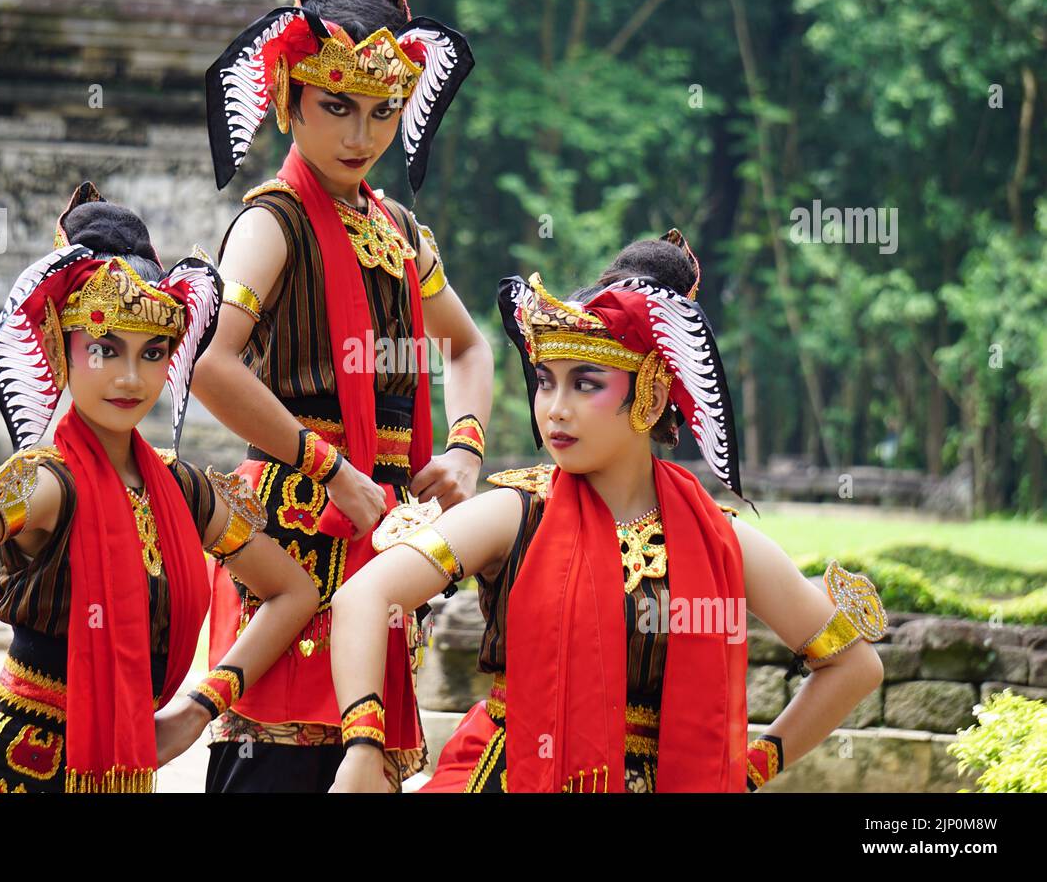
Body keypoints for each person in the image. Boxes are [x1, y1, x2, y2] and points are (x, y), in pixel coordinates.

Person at [328, 231, 887, 792]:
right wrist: (361, 749)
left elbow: (854, 666)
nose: (556, 410)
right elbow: (364, 597)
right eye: (545, 384)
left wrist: (746, 772)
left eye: (585, 384)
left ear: (649, 393)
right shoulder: (514, 513)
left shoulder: (718, 540)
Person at [0, 181, 319, 793]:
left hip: (126, 761)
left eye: (152, 354)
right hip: (24, 769)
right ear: (63, 348)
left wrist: (198, 710)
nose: (129, 377)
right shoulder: (47, 484)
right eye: (105, 349)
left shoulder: (184, 490)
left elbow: (293, 591)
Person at [195, 0, 492, 791]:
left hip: (380, 521)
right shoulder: (271, 222)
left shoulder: (400, 231)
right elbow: (211, 365)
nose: (362, 134)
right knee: (274, 761)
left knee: (356, 766)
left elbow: (468, 346)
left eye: (382, 111)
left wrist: (467, 449)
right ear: (289, 98)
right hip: (295, 527)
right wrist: (332, 470)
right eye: (337, 106)